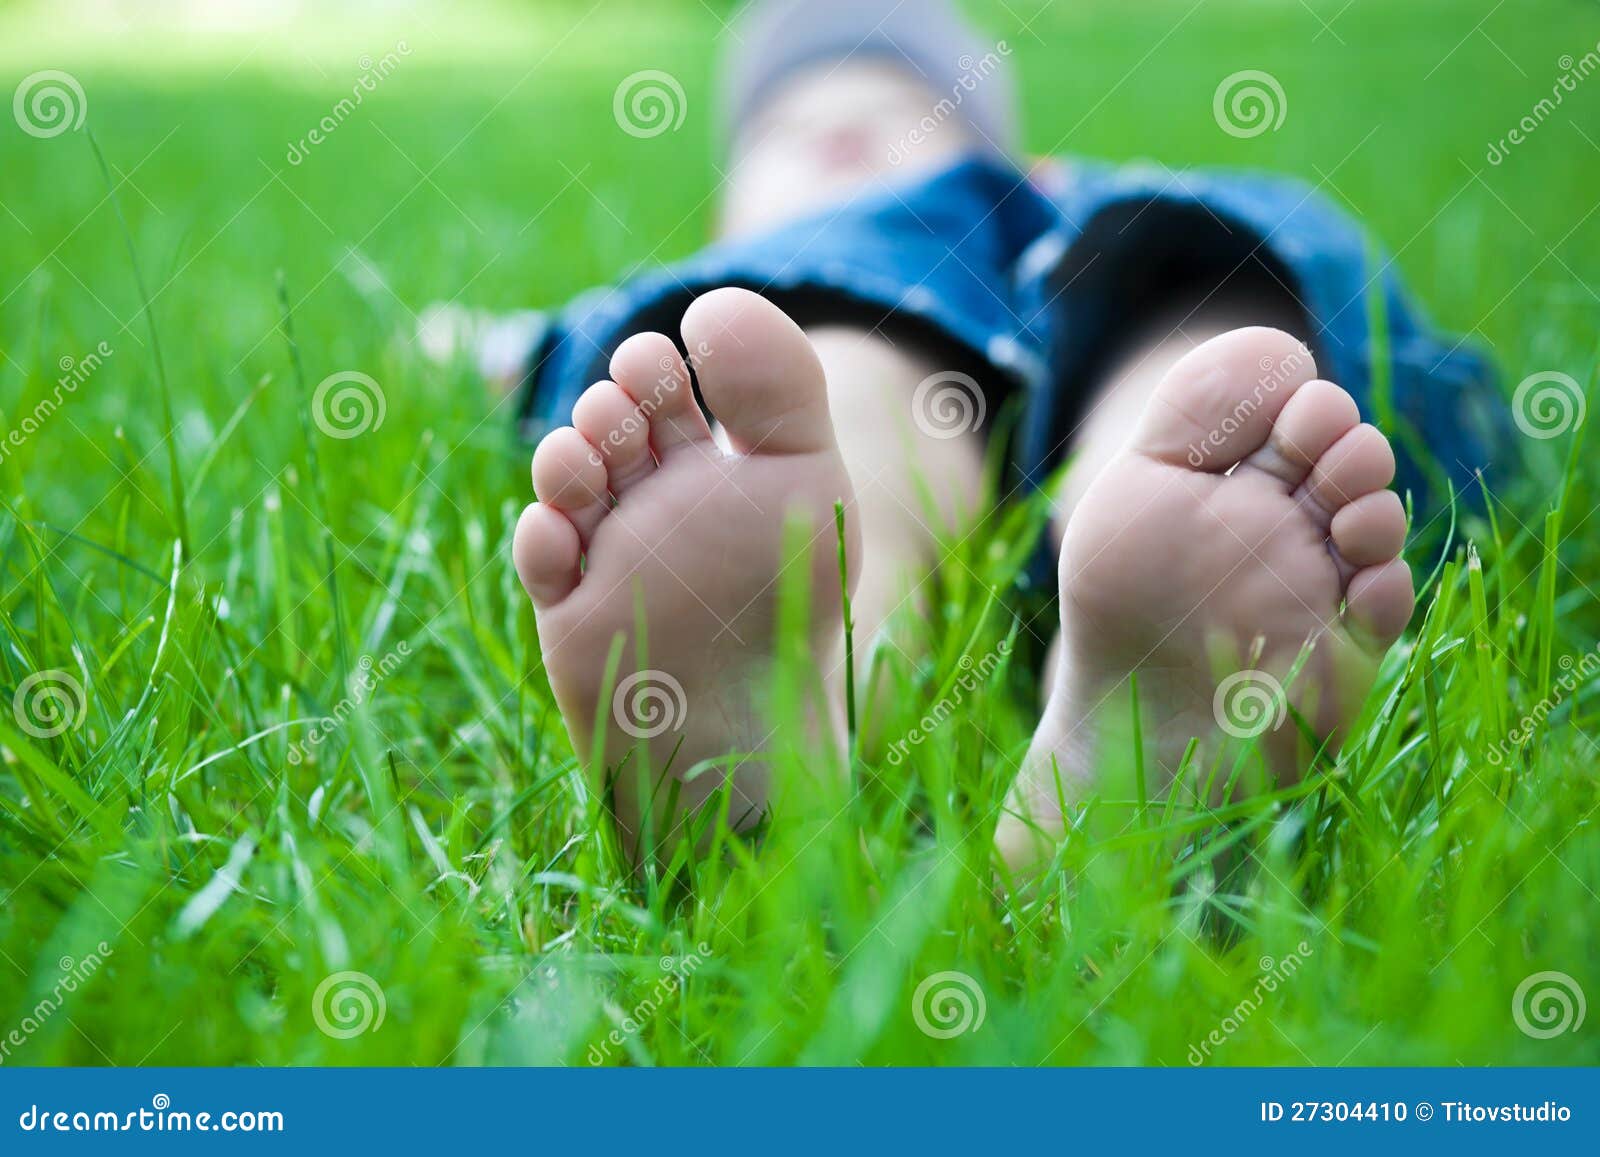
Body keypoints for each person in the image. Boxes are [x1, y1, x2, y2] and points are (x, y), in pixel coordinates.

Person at [480, 0, 1499, 871]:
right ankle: (787, 721)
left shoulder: (1067, 203)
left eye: (898, 116)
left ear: (1025, 168)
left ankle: (1165, 576)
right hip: (854, 314)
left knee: (1212, 318)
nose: (843, 140)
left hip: (1126, 263)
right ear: (721, 220)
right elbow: (492, 344)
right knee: (837, 373)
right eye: (792, 132)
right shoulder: (792, 254)